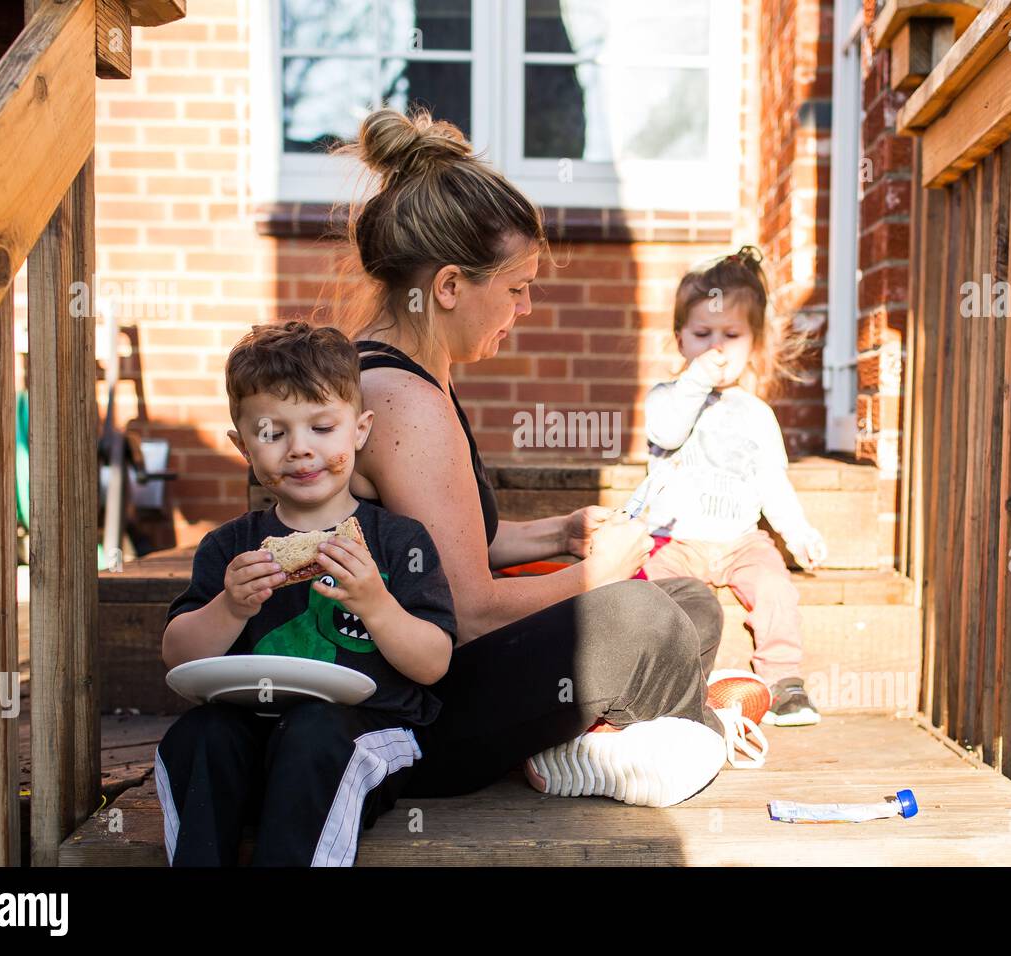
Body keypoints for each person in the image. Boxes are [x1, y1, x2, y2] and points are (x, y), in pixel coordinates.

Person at [328, 108, 761, 808]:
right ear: (447, 287)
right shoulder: (403, 401)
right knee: (643, 617)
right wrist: (597, 574)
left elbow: (447, 548)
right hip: (419, 720)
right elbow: (469, 614)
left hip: (450, 673)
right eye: (517, 287)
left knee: (688, 605)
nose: (526, 307)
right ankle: (680, 733)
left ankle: (594, 743)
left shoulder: (412, 368)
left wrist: (557, 534)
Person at [155, 321, 458, 866]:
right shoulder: (232, 547)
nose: (300, 450)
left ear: (359, 431)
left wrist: (376, 604)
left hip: (368, 732)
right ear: (242, 445)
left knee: (316, 733)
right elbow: (178, 656)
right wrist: (230, 607)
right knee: (199, 733)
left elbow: (434, 663)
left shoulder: (397, 541)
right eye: (272, 433)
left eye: (322, 427)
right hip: (254, 734)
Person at [635, 245, 828, 727]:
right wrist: (696, 382)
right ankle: (667, 679)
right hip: (676, 537)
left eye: (731, 335)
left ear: (753, 343)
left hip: (741, 539)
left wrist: (797, 529)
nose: (716, 348)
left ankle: (785, 682)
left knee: (775, 588)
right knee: (653, 589)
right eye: (702, 334)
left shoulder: (757, 414)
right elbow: (668, 433)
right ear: (680, 340)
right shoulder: (666, 398)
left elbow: (771, 481)